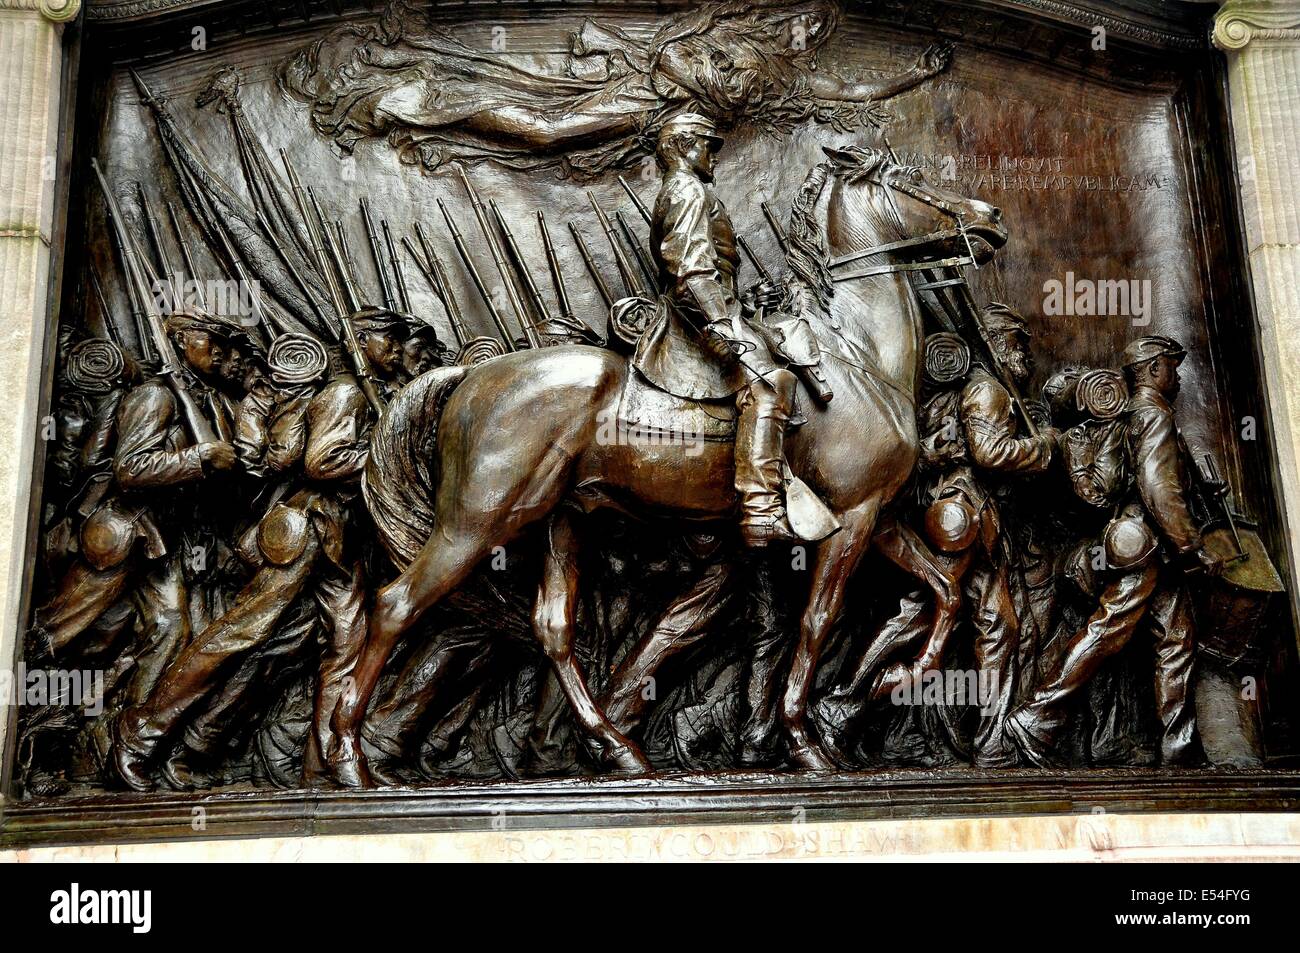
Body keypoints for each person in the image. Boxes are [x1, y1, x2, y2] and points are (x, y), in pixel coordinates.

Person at [111, 311, 408, 790]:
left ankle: (329, 763)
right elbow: (318, 462)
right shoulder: (339, 393)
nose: (397, 351)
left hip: (342, 537)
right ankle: (141, 732)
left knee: (342, 648)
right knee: (240, 634)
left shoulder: (350, 394)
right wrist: (395, 455)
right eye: (389, 339)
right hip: (303, 530)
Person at [1006, 335, 1222, 766]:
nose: (1176, 377)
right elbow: (1158, 486)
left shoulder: (1133, 414)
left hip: (1147, 546)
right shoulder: (1150, 413)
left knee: (1176, 638)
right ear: (1155, 369)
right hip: (1147, 546)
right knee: (1109, 631)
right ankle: (1037, 714)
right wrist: (1191, 546)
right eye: (1172, 368)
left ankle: (1179, 749)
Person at [633, 112, 798, 546]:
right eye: (708, 145)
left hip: (715, 308)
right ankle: (761, 508)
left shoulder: (693, 188)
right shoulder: (687, 187)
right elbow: (692, 271)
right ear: (686, 145)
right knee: (770, 384)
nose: (713, 156)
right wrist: (723, 324)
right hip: (697, 318)